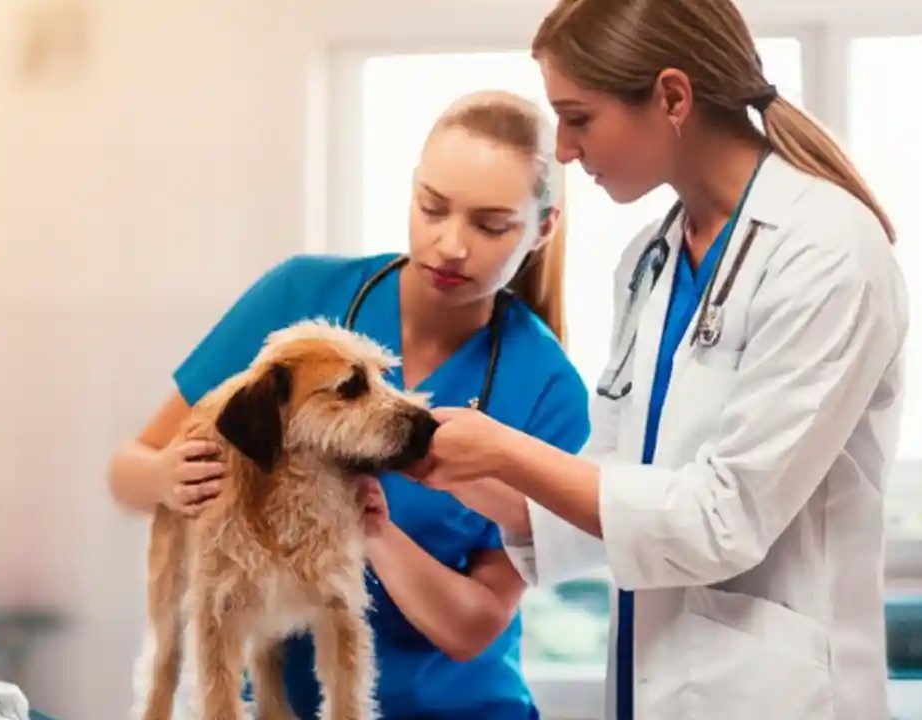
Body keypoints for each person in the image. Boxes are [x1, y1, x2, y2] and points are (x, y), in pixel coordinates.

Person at [412, 2, 908, 720]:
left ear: (672, 98)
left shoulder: (827, 253)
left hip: (779, 695)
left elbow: (722, 521)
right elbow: (615, 483)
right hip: (653, 681)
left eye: (579, 118)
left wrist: (507, 452)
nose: (564, 151)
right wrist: (460, 468)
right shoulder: (650, 259)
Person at [108, 90, 590, 719]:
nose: (450, 245)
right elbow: (128, 469)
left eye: (490, 224)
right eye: (432, 208)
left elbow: (474, 626)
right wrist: (165, 477)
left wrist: (372, 528)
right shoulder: (301, 298)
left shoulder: (548, 387)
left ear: (541, 229)